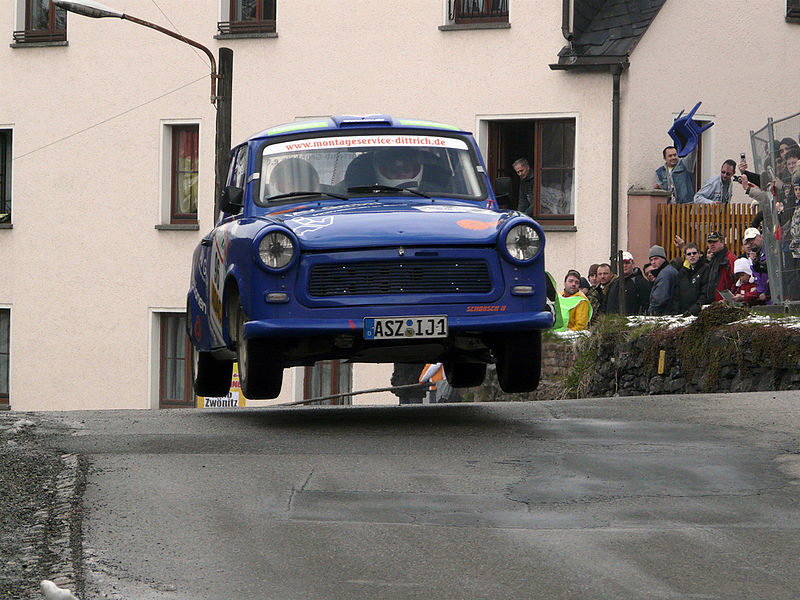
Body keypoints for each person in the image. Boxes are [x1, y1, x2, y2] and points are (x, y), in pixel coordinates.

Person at [673, 242, 709, 315]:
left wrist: (698, 305)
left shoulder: (706, 268)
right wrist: (675, 311)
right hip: (683, 312)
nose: (692, 256)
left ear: (699, 254)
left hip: (699, 312)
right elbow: (676, 294)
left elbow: (705, 291)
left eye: (694, 253)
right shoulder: (682, 272)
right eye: (689, 254)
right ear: (685, 256)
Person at [704, 231, 737, 303]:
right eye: (710, 242)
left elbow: (737, 282)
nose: (712, 244)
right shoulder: (712, 259)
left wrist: (730, 298)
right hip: (714, 303)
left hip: (727, 303)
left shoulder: (730, 259)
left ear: (722, 242)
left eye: (715, 242)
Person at [647, 245, 679, 315]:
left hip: (666, 312)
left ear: (663, 258)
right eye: (651, 260)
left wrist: (652, 310)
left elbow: (660, 298)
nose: (653, 262)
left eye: (656, 259)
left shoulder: (665, 274)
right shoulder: (668, 270)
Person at [742, 225, 769, 304]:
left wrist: (767, 293)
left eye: (753, 239)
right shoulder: (755, 256)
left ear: (760, 237)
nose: (751, 242)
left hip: (773, 296)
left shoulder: (770, 251)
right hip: (764, 298)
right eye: (748, 240)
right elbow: (758, 278)